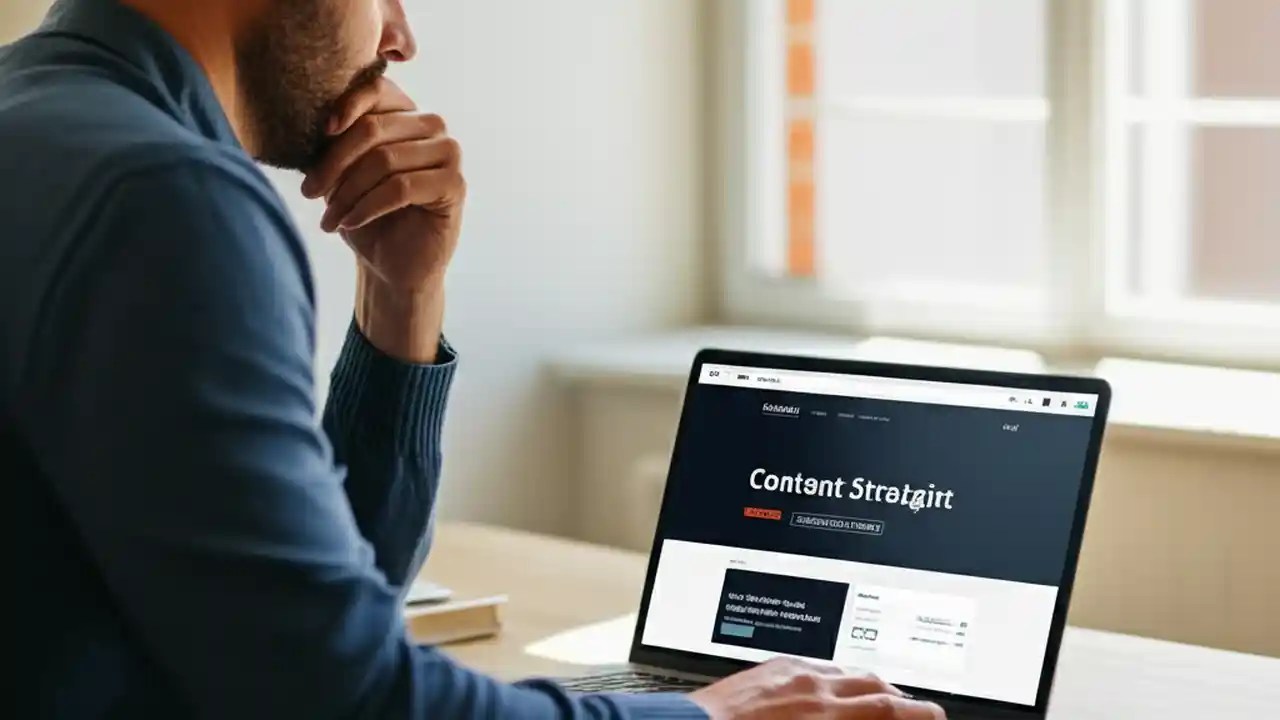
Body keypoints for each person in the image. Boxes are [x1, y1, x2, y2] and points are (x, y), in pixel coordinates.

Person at [0, 0, 947, 718]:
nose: (400, 37)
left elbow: (305, 619)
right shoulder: (163, 198)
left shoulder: (39, 123)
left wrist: (402, 293)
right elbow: (345, 699)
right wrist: (704, 714)